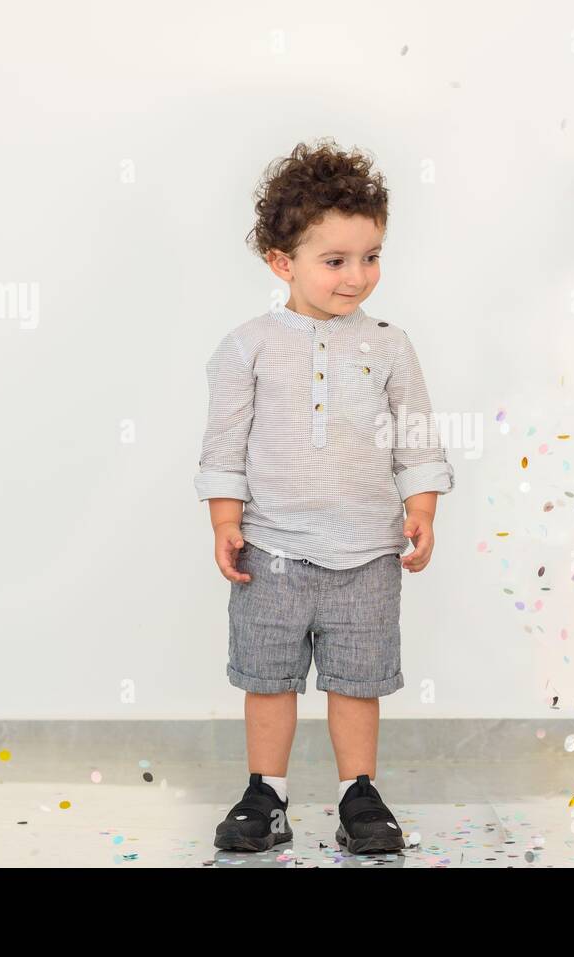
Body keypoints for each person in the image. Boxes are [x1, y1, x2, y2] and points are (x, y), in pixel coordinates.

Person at [195, 139, 454, 853]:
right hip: (271, 549)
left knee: (356, 679)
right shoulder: (248, 346)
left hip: (367, 551)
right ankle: (265, 792)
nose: (357, 276)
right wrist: (225, 518)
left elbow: (418, 439)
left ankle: (358, 792)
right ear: (283, 263)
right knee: (268, 677)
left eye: (370, 256)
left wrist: (422, 508)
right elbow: (224, 447)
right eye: (335, 261)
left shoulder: (390, 345)